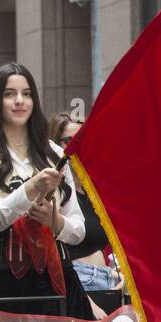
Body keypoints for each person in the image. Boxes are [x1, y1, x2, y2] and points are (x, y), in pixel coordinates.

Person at [0, 64, 94, 321]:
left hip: (55, 275)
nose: (20, 101)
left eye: (27, 93)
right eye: (9, 94)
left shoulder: (55, 153)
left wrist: (54, 221)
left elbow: (78, 229)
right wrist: (32, 187)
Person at [48, 111, 119, 293]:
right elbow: (49, 253)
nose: (78, 147)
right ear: (55, 146)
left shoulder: (95, 193)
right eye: (70, 141)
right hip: (75, 283)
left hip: (107, 279)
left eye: (83, 140)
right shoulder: (53, 190)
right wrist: (83, 299)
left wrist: (117, 276)